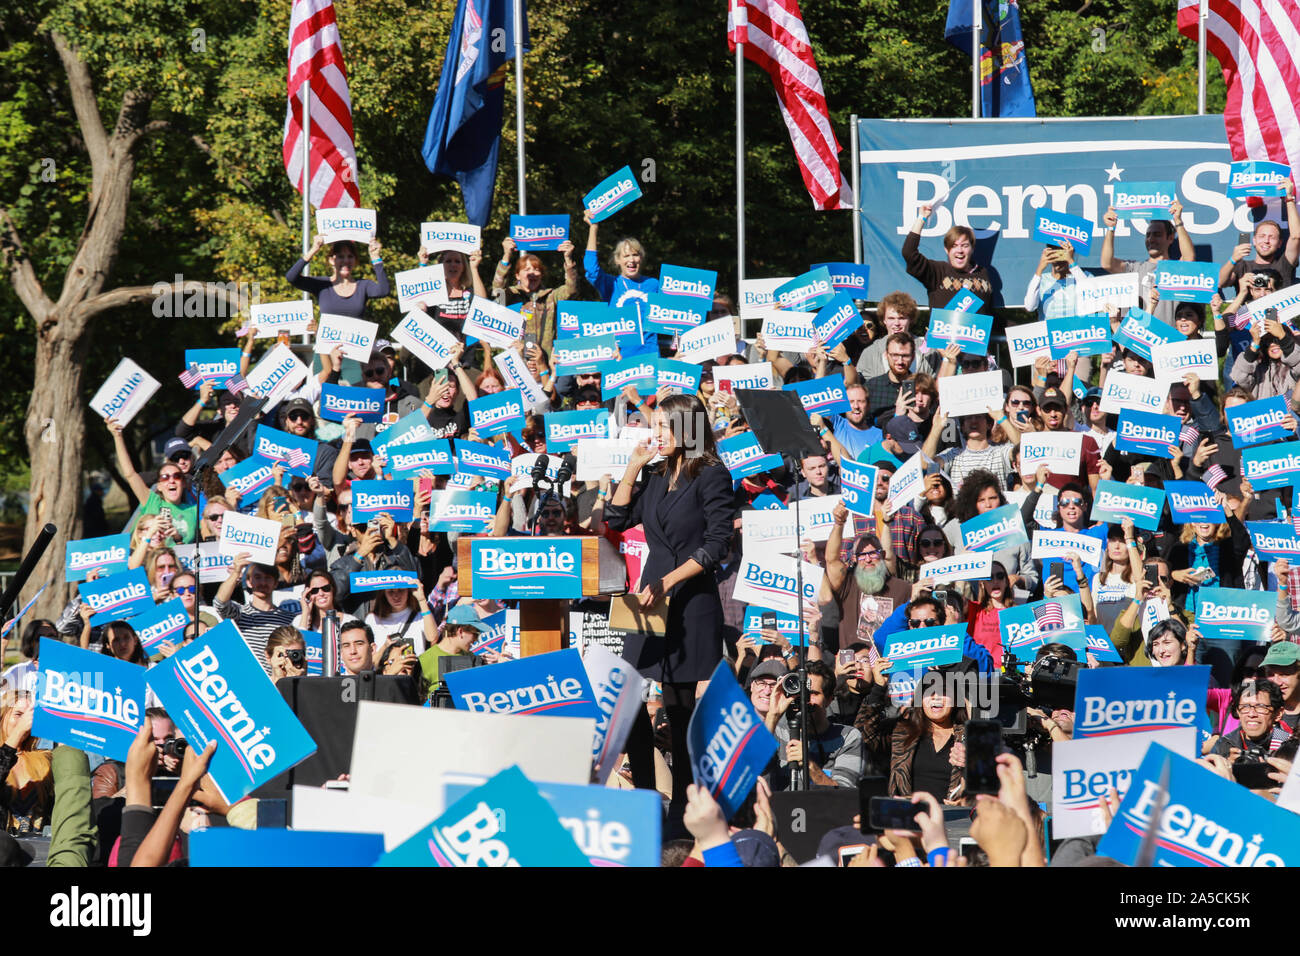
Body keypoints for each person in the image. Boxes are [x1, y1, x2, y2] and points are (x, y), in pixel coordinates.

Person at [604, 393, 734, 825]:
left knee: (680, 711)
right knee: (629, 695)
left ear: (688, 428)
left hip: (688, 602)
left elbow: (716, 544)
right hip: (647, 603)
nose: (654, 434)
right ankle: (645, 791)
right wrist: (632, 468)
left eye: (663, 427)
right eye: (653, 426)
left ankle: (683, 808)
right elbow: (617, 520)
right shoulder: (657, 474)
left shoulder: (712, 475)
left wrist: (669, 582)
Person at [855, 661, 967, 803]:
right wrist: (878, 688)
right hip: (906, 817)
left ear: (956, 700)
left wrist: (967, 801)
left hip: (956, 821)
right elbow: (863, 736)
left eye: (943, 691)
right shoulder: (902, 731)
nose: (936, 696)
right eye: (929, 691)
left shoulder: (969, 737)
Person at [762, 660, 865, 790]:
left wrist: (809, 764)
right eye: (801, 692)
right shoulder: (778, 731)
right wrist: (773, 715)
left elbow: (845, 795)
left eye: (813, 693)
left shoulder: (847, 737)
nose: (805, 699)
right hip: (781, 808)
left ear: (829, 700)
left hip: (823, 809)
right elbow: (752, 769)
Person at [1099, 200, 1195, 323]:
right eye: (1148, 235)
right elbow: (1107, 263)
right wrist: (1110, 228)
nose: (1151, 239)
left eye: (1157, 234)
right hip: (1139, 339)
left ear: (1170, 238)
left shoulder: (1175, 268)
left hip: (1170, 339)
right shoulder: (1134, 268)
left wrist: (1178, 221)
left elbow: (1189, 259)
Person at [491, 237, 579, 354]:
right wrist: (506, 255)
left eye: (536, 269)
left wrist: (568, 258)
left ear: (541, 275)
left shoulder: (551, 296)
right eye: (526, 269)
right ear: (517, 275)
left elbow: (572, 289)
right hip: (517, 359)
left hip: (545, 362)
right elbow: (497, 291)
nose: (532, 273)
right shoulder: (511, 295)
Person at [213, 554, 297, 672]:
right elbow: (220, 603)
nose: (263, 582)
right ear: (248, 582)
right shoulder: (240, 613)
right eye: (257, 577)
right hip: (249, 681)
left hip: (279, 683)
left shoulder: (288, 619)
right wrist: (236, 572)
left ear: (276, 583)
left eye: (268, 578)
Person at [902, 206, 993, 308]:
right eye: (954, 246)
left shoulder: (982, 273)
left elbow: (988, 314)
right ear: (947, 249)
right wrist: (922, 217)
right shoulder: (937, 272)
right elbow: (909, 252)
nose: (960, 250)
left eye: (965, 245)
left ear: (972, 249)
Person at [1217, 184, 1300, 291]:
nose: (1266, 241)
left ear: (1280, 243)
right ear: (1254, 240)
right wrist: (1232, 260)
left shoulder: (1285, 264)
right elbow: (1220, 283)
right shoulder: (1242, 266)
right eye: (1262, 236)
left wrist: (1289, 198)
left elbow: (1295, 236)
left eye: (1272, 237)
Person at [286, 235, 389, 318]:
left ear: (355, 260)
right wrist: (314, 249)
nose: (346, 261)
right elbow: (291, 277)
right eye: (340, 256)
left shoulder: (364, 285)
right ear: (331, 260)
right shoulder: (322, 285)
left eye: (350, 256)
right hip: (328, 344)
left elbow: (383, 290)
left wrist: (375, 257)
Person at [583, 213, 660, 309]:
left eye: (635, 255)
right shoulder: (611, 284)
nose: (631, 260)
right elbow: (591, 269)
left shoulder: (654, 284)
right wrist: (593, 228)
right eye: (626, 256)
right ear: (617, 260)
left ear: (641, 258)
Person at [0, 695, 52, 836]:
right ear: (2, 715)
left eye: (29, 717)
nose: (26, 722)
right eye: (18, 714)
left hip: (37, 852)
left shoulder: (44, 759)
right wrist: (18, 732)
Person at [417, 604, 484, 696]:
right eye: (475, 634)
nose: (476, 639)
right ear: (460, 631)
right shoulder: (424, 660)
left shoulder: (472, 658)